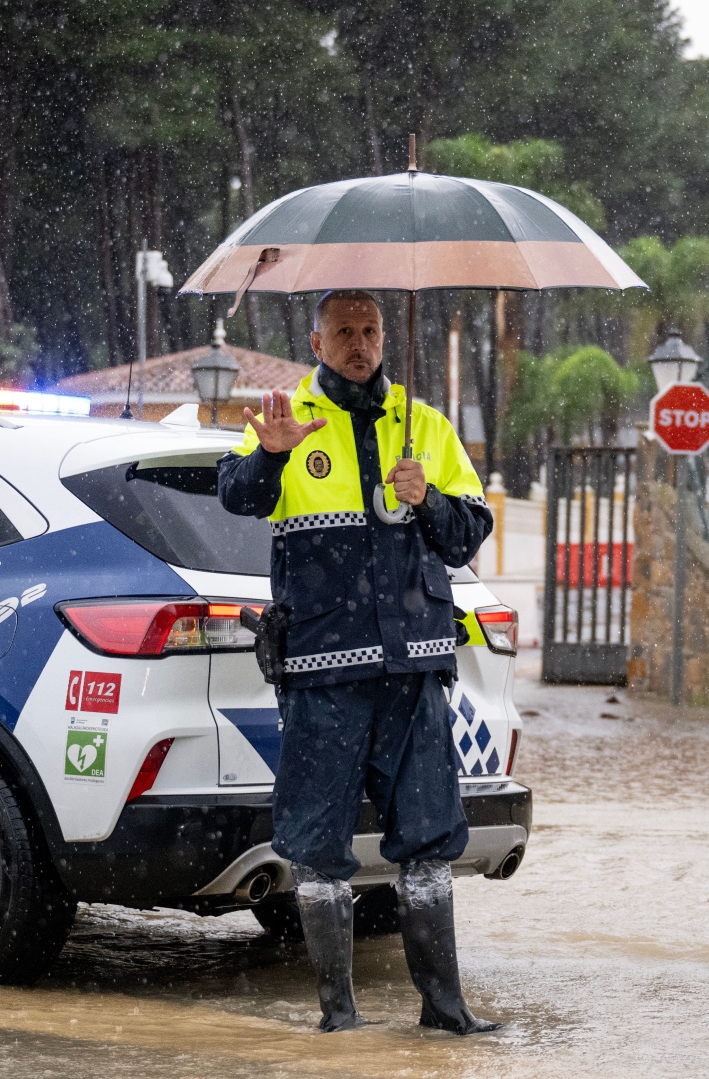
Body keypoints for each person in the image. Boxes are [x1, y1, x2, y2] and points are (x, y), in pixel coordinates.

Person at [216, 289, 498, 1034]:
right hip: (323, 673)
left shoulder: (425, 425)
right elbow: (235, 492)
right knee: (317, 849)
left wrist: (429, 499)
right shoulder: (287, 420)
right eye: (343, 330)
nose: (359, 342)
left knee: (432, 840)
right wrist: (271, 455)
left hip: (414, 672)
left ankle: (446, 1012)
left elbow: (469, 533)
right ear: (316, 340)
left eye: (370, 329)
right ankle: (339, 1019)